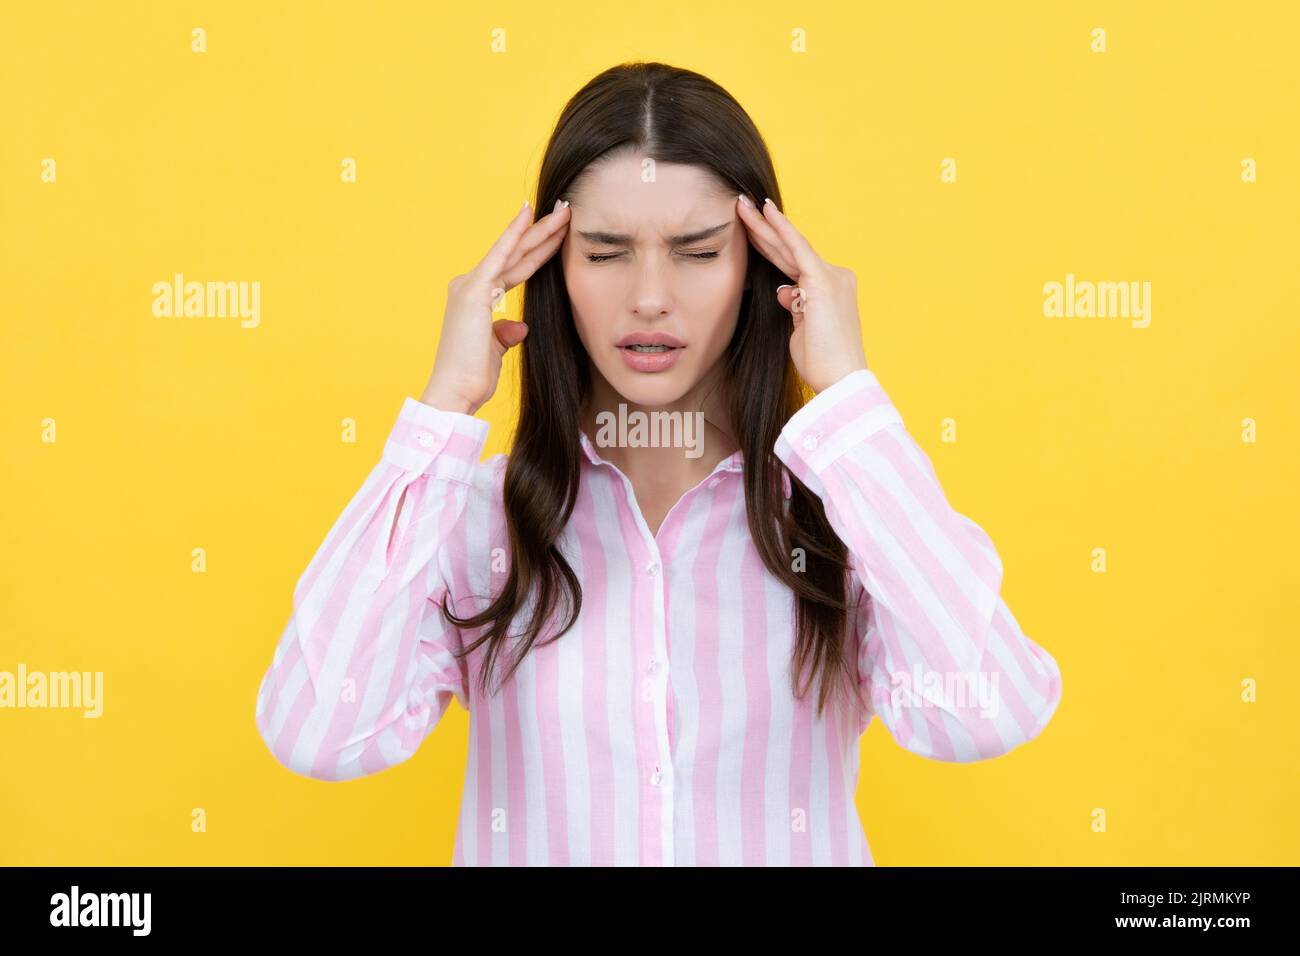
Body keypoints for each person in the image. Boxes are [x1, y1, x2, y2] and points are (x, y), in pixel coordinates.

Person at [254, 60, 1062, 866]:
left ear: (761, 270)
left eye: (697, 252)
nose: (649, 296)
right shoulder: (472, 520)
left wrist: (848, 396)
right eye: (605, 253)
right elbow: (315, 734)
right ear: (551, 271)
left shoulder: (844, 517)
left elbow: (990, 714)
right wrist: (443, 409)